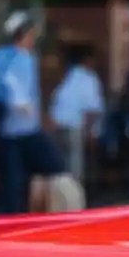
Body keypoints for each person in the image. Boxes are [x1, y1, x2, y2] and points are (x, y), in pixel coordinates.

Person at [0, 11, 60, 213]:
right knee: (49, 170)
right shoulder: (17, 59)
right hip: (21, 128)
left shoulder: (5, 56)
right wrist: (40, 117)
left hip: (17, 129)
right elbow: (18, 97)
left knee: (17, 181)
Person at [49, 43, 104, 188]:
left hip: (57, 127)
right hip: (74, 127)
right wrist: (90, 133)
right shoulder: (88, 78)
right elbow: (91, 110)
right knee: (74, 173)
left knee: (60, 171)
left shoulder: (67, 76)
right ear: (87, 60)